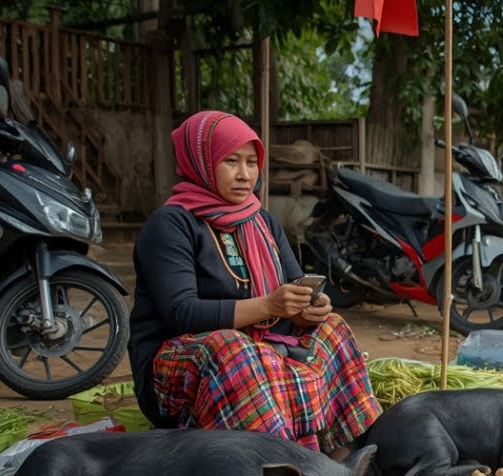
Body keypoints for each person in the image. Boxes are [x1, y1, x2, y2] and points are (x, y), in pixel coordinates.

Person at [129, 110, 380, 457]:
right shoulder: (171, 224)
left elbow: (295, 291)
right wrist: (268, 306)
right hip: (179, 366)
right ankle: (279, 465)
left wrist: (309, 310)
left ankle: (346, 456)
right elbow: (180, 313)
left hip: (263, 348)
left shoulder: (262, 220)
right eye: (231, 161)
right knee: (234, 349)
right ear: (200, 162)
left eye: (251, 162)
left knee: (332, 328)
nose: (245, 174)